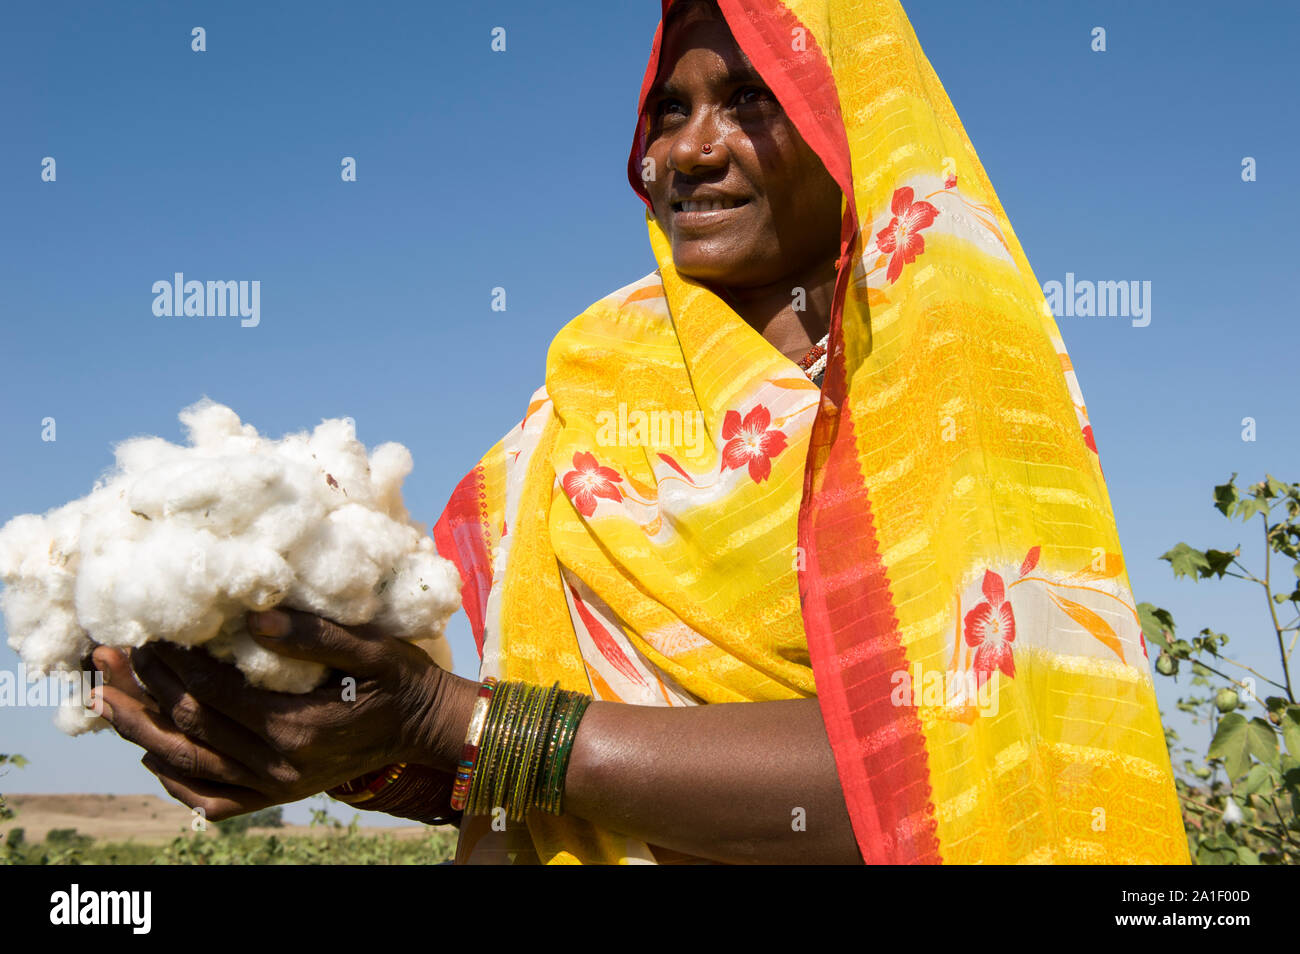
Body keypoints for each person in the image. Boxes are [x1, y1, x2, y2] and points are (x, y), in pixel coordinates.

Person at [91, 0, 1191, 865]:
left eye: (751, 101)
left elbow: (964, 778)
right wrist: (340, 746)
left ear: (853, 117)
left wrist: (446, 719)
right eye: (669, 109)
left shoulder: (950, 386)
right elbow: (531, 770)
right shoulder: (589, 391)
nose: (692, 150)